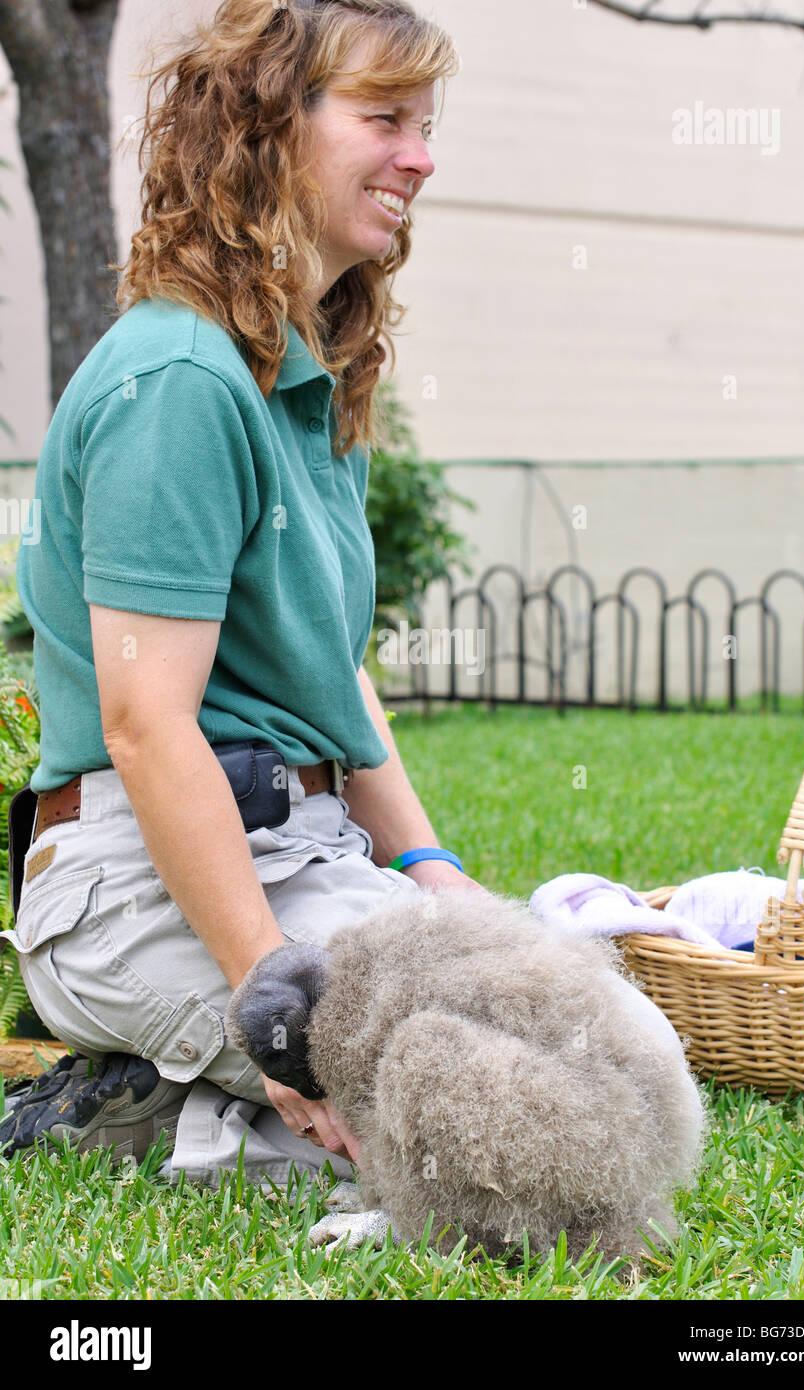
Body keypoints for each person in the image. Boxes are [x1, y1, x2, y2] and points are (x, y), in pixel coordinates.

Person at [1, 0, 478, 1187]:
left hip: (306, 848)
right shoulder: (178, 379)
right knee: (466, 1119)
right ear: (267, 129)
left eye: (425, 124)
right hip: (129, 879)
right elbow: (145, 721)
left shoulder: (305, 372)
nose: (419, 155)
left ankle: (169, 1110)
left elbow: (331, 671)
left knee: (560, 1017)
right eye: (384, 119)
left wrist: (431, 874)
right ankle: (151, 1101)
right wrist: (275, 1004)